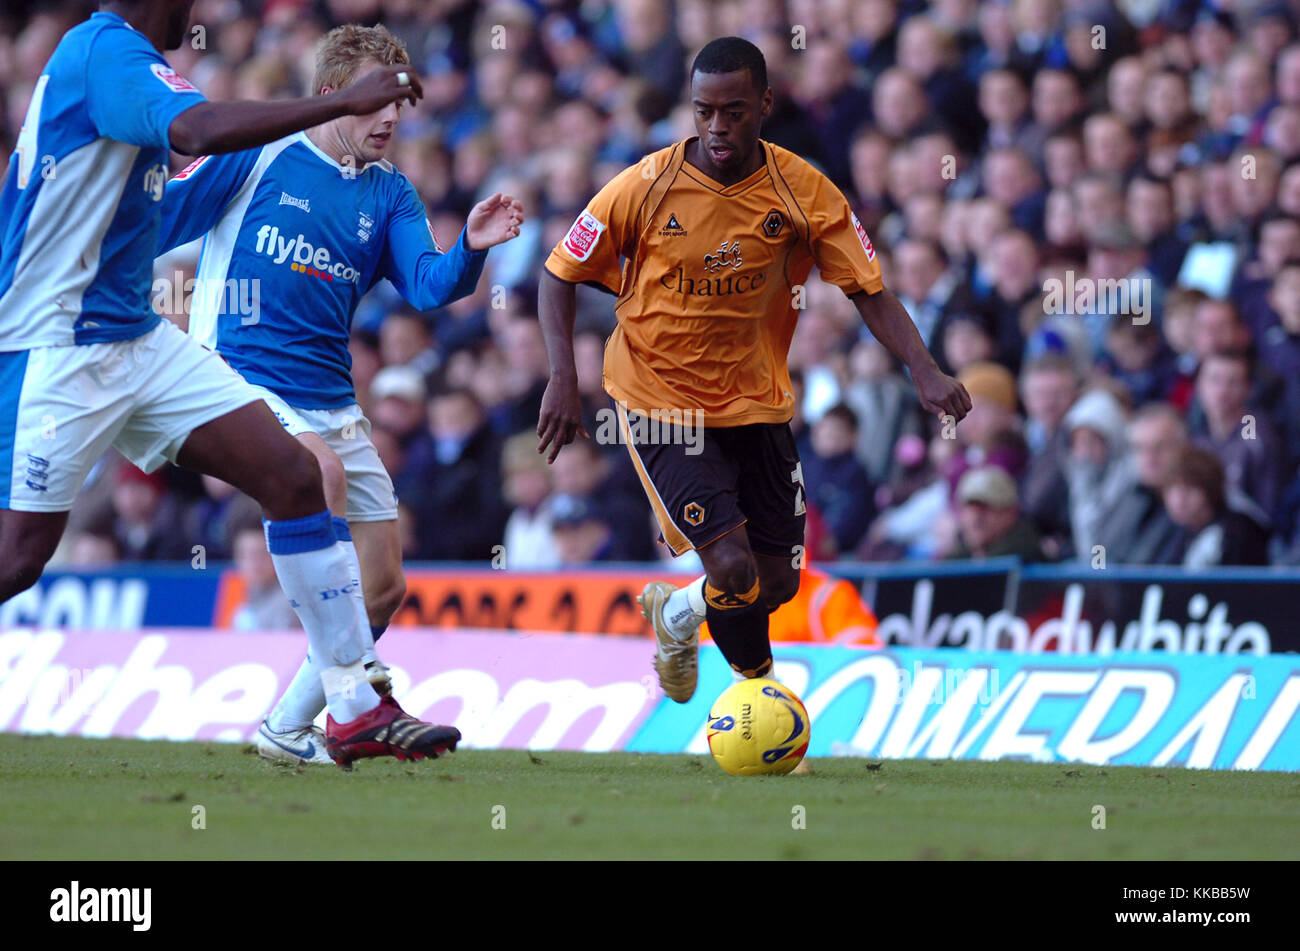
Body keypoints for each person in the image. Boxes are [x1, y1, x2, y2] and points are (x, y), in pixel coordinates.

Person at [0, 1, 456, 768]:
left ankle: (350, 704)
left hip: (137, 336)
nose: (198, 10)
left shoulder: (135, 66)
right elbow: (200, 133)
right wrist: (340, 100)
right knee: (19, 556)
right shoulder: (104, 53)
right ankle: (337, 703)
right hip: (58, 342)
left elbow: (428, 282)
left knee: (295, 476)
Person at [535, 37, 970, 701]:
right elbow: (560, 272)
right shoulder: (644, 185)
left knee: (776, 583)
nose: (717, 127)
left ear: (765, 103)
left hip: (756, 400)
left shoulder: (805, 191)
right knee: (732, 565)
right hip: (660, 399)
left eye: (734, 111)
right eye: (704, 110)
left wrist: (925, 369)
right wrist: (563, 377)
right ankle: (759, 698)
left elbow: (869, 290)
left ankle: (677, 612)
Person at [154, 23, 523, 763]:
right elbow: (158, 221)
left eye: (399, 104)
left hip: (330, 395)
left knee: (382, 587)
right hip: (237, 374)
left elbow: (426, 284)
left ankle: (286, 730)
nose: (390, 119)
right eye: (376, 103)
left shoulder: (390, 194)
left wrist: (470, 252)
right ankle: (364, 700)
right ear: (331, 98)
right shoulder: (257, 156)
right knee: (310, 471)